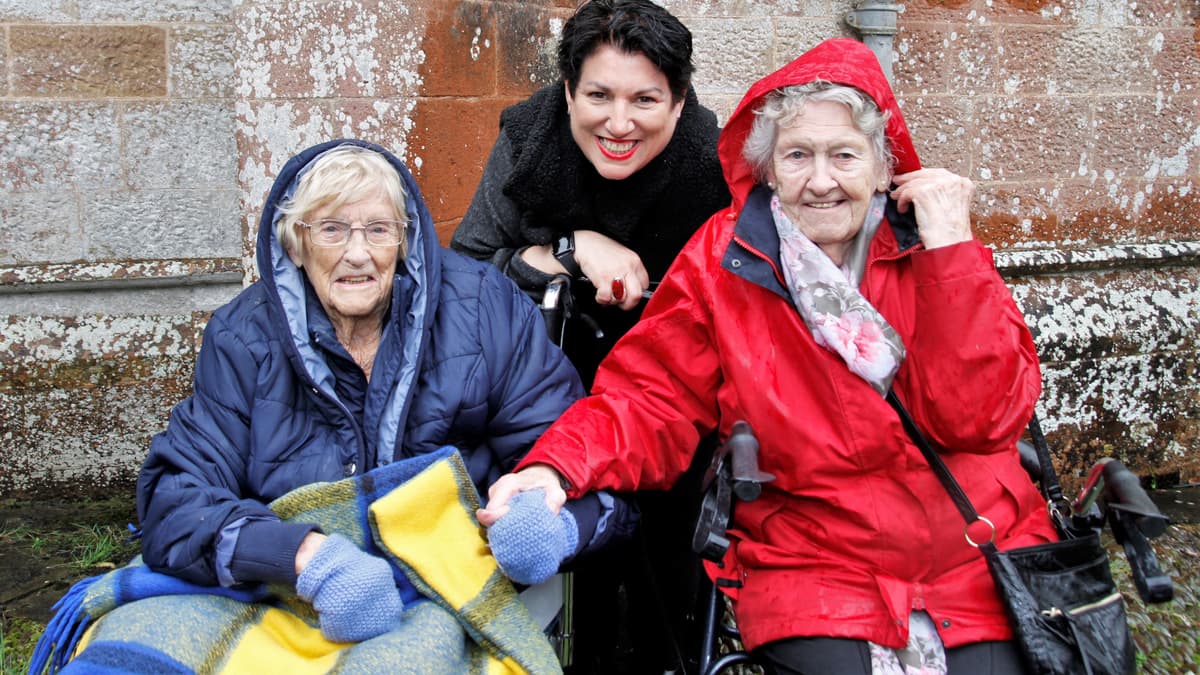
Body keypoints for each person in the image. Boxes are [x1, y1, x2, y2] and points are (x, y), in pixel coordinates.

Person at [479, 38, 1060, 675]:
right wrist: (556, 469)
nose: (820, 180)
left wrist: (952, 252)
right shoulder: (724, 260)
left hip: (973, 549)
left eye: (844, 154)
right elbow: (650, 398)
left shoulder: (935, 249)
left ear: (881, 162)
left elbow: (978, 419)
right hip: (812, 565)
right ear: (769, 169)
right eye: (797, 155)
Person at [126, 140, 631, 644]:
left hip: (461, 584)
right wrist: (305, 559)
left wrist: (546, 523)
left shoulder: (482, 309)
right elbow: (176, 499)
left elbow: (576, 453)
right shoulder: (244, 337)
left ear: (405, 240)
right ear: (295, 244)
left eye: (378, 229)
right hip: (303, 598)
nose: (358, 253)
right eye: (331, 229)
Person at [450, 0, 730, 388]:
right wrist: (570, 251)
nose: (618, 125)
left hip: (671, 394)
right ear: (569, 92)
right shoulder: (530, 140)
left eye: (644, 100)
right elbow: (463, 275)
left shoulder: (715, 166)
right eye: (598, 96)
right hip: (533, 385)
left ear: (678, 101)